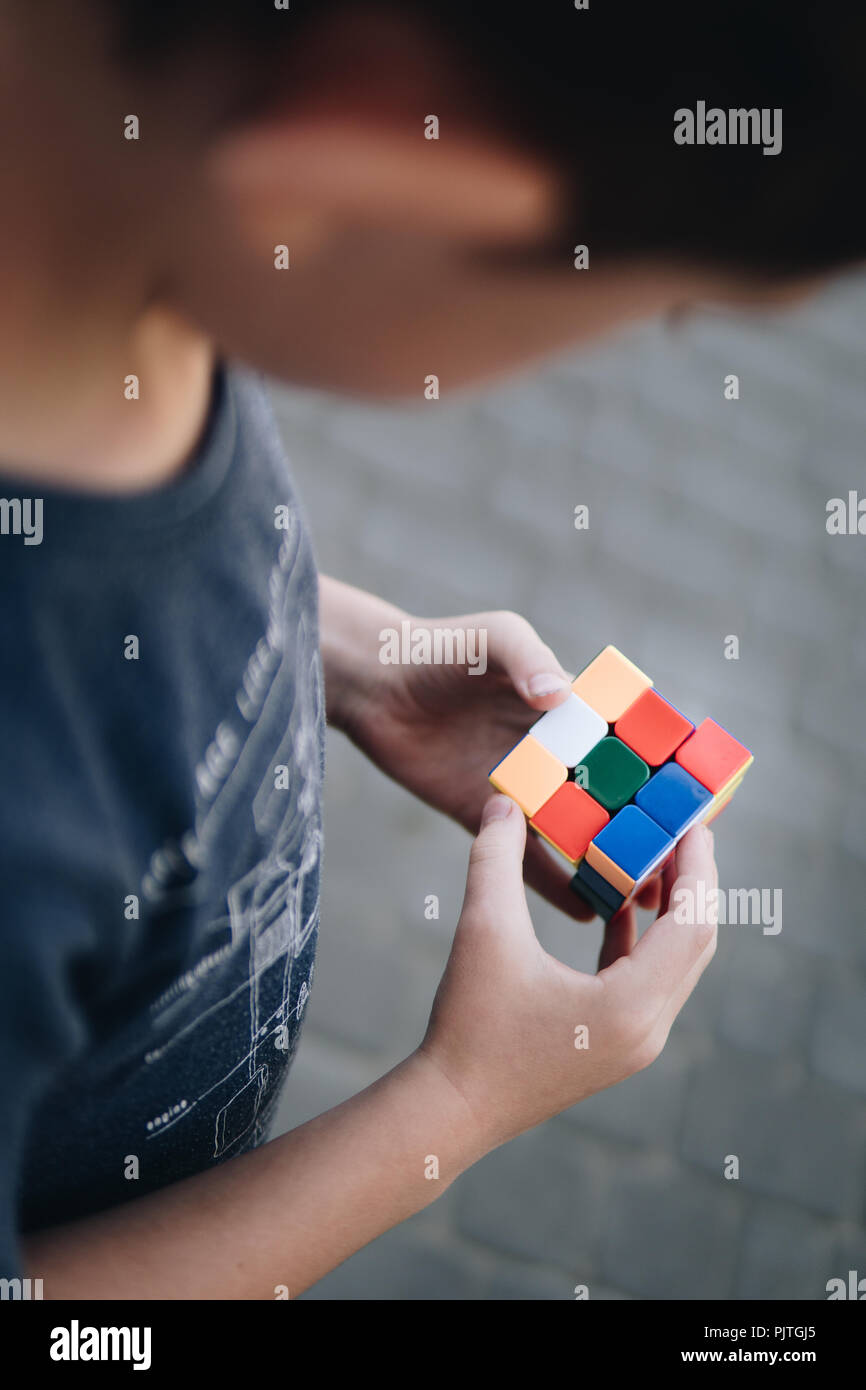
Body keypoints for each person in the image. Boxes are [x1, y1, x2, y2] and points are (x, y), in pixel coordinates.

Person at [0, 2, 859, 1298]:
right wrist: (452, 1105)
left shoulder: (123, 264)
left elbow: (130, 590)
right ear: (366, 178)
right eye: (668, 306)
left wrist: (339, 647)